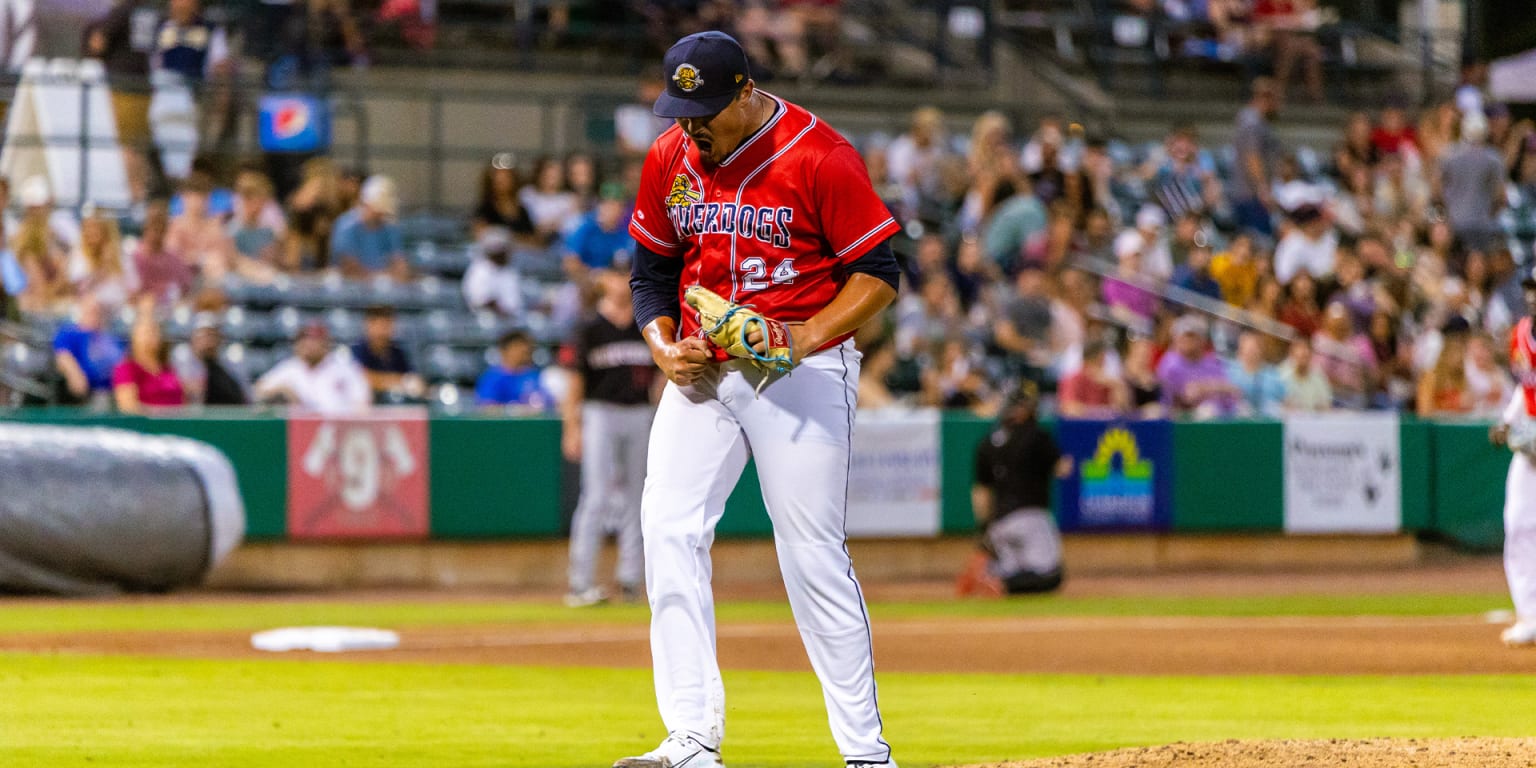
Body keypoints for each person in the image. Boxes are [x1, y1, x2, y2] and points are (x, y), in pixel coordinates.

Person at [619, 31, 902, 768]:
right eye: (681, 110)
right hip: (704, 370)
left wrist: (807, 337)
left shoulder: (819, 154)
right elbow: (650, 272)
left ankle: (866, 753)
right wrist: (661, 346)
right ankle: (691, 737)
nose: (690, 125)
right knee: (668, 527)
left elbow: (877, 272)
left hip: (797, 369)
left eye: (705, 108)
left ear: (746, 94)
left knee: (811, 553)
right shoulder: (670, 158)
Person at [562, 268, 658, 607]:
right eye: (615, 276)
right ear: (603, 283)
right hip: (599, 412)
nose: (621, 282)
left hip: (638, 413)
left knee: (639, 499)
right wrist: (571, 427)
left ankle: (632, 579)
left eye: (625, 275)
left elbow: (658, 380)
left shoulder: (645, 324)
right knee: (596, 497)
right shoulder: (588, 327)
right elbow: (574, 382)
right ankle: (580, 582)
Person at [957, 381, 1071, 597]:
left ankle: (994, 573)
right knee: (1051, 575)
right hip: (1031, 518)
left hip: (999, 526)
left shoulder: (987, 442)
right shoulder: (1036, 434)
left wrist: (984, 531)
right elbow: (1061, 468)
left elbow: (981, 494)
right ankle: (1000, 582)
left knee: (1018, 570)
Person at [1492, 269, 1536, 646]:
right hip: (1530, 447)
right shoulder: (1521, 334)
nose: (1534, 296)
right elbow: (1525, 387)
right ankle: (1530, 615)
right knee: (1519, 523)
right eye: (1531, 290)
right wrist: (1507, 421)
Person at [253, 322, 371, 413]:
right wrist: (283, 390)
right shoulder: (291, 367)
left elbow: (362, 402)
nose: (309, 344)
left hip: (340, 429)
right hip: (301, 431)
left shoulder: (344, 367)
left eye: (315, 339)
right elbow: (258, 390)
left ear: (326, 342)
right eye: (305, 339)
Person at [1157, 314, 1240, 419]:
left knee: (1242, 410)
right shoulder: (1170, 363)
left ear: (1202, 340)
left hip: (1219, 414)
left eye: (1193, 337)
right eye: (1184, 337)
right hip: (1181, 418)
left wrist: (1205, 388)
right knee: (1208, 410)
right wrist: (1213, 388)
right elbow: (1185, 396)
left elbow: (1231, 390)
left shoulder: (1212, 361)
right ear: (1176, 339)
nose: (1187, 342)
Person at [330, 175, 411, 281]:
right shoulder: (346, 226)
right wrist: (382, 277)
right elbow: (350, 268)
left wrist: (389, 277)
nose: (381, 215)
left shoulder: (389, 228)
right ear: (366, 204)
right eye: (378, 210)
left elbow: (400, 264)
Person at [1230, 78, 1282, 237]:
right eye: (1277, 99)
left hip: (1247, 194)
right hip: (1251, 196)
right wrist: (1263, 189)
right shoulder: (1253, 122)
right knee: (1259, 243)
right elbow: (1252, 156)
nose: (1279, 104)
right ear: (1265, 97)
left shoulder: (1251, 119)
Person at [52, 296, 125, 405]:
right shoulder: (70, 334)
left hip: (118, 388)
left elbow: (123, 359)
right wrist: (74, 374)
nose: (94, 314)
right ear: (81, 311)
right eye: (90, 310)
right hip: (92, 391)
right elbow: (63, 356)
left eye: (97, 310)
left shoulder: (110, 337)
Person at [112, 313, 186, 413]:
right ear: (134, 337)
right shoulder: (126, 369)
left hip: (176, 425)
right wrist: (163, 414)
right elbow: (128, 407)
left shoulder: (168, 369)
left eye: (154, 331)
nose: (151, 336)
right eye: (146, 332)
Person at [351, 305, 423, 403]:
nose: (381, 332)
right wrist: (397, 381)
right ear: (368, 325)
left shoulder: (398, 353)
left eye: (386, 325)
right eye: (377, 325)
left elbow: (413, 380)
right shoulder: (357, 351)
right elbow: (360, 379)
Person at [174, 312, 250, 405]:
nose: (207, 342)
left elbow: (243, 398)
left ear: (219, 339)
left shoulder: (228, 370)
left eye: (211, 335)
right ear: (192, 339)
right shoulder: (179, 365)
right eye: (201, 336)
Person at [562, 182, 637, 275]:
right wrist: (593, 277)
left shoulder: (625, 234)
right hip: (583, 282)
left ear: (623, 210)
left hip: (613, 282)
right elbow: (570, 262)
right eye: (605, 203)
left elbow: (627, 265)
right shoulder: (586, 226)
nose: (608, 209)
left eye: (614, 205)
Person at [475, 330, 553, 411]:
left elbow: (546, 405)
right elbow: (487, 408)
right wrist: (516, 411)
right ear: (505, 350)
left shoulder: (535, 376)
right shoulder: (492, 378)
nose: (524, 350)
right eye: (518, 346)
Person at [462, 227, 526, 319]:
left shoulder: (510, 271)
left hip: (512, 319)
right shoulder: (480, 269)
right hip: (486, 319)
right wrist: (505, 313)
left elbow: (516, 302)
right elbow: (480, 301)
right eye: (503, 248)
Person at [1056, 339, 1128, 418]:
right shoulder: (1072, 379)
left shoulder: (1108, 381)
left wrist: (1117, 385)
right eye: (1101, 359)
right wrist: (1100, 411)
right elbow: (1069, 408)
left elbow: (1122, 410)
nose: (1103, 363)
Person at [1226, 330, 1285, 417]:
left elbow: (1283, 399)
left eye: (1255, 347)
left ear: (1262, 349)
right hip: (1236, 421)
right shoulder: (1229, 371)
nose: (1251, 351)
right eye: (1248, 347)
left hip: (1267, 422)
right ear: (1240, 349)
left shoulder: (1273, 374)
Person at [1278, 335, 1332, 411]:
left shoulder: (1319, 375)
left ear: (1311, 353)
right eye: (1299, 348)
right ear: (1291, 353)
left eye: (1307, 348)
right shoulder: (1281, 375)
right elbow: (1278, 405)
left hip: (1313, 420)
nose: (1303, 352)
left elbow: (1326, 405)